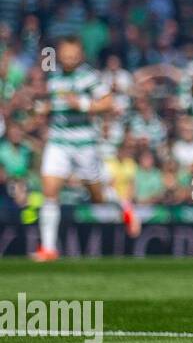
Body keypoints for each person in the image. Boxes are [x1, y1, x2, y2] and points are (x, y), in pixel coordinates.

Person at [31, 37, 141, 261]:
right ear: (59, 54)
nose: (69, 58)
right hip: (58, 141)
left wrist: (81, 104)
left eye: (73, 54)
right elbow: (56, 102)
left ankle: (123, 205)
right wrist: (45, 108)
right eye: (65, 54)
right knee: (49, 190)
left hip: (85, 144)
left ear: (80, 55)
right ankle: (49, 248)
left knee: (97, 197)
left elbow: (109, 102)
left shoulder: (89, 76)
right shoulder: (53, 76)